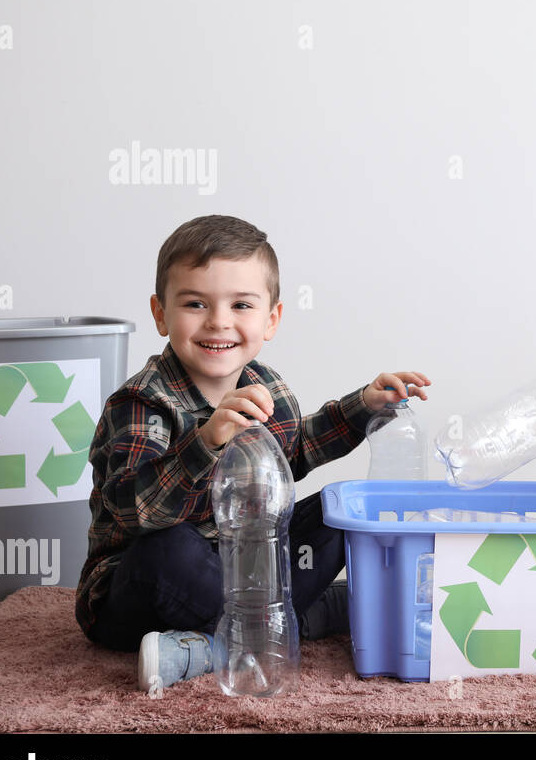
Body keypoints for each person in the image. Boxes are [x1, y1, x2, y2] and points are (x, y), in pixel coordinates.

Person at [75, 215, 432, 693]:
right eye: (195, 303)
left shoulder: (268, 386)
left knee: (335, 510)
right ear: (161, 314)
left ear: (271, 319)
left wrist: (363, 405)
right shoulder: (143, 401)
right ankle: (307, 617)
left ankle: (209, 646)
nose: (218, 321)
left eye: (241, 304)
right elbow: (136, 512)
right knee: (171, 548)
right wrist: (205, 442)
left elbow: (297, 450)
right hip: (136, 591)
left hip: (242, 570)